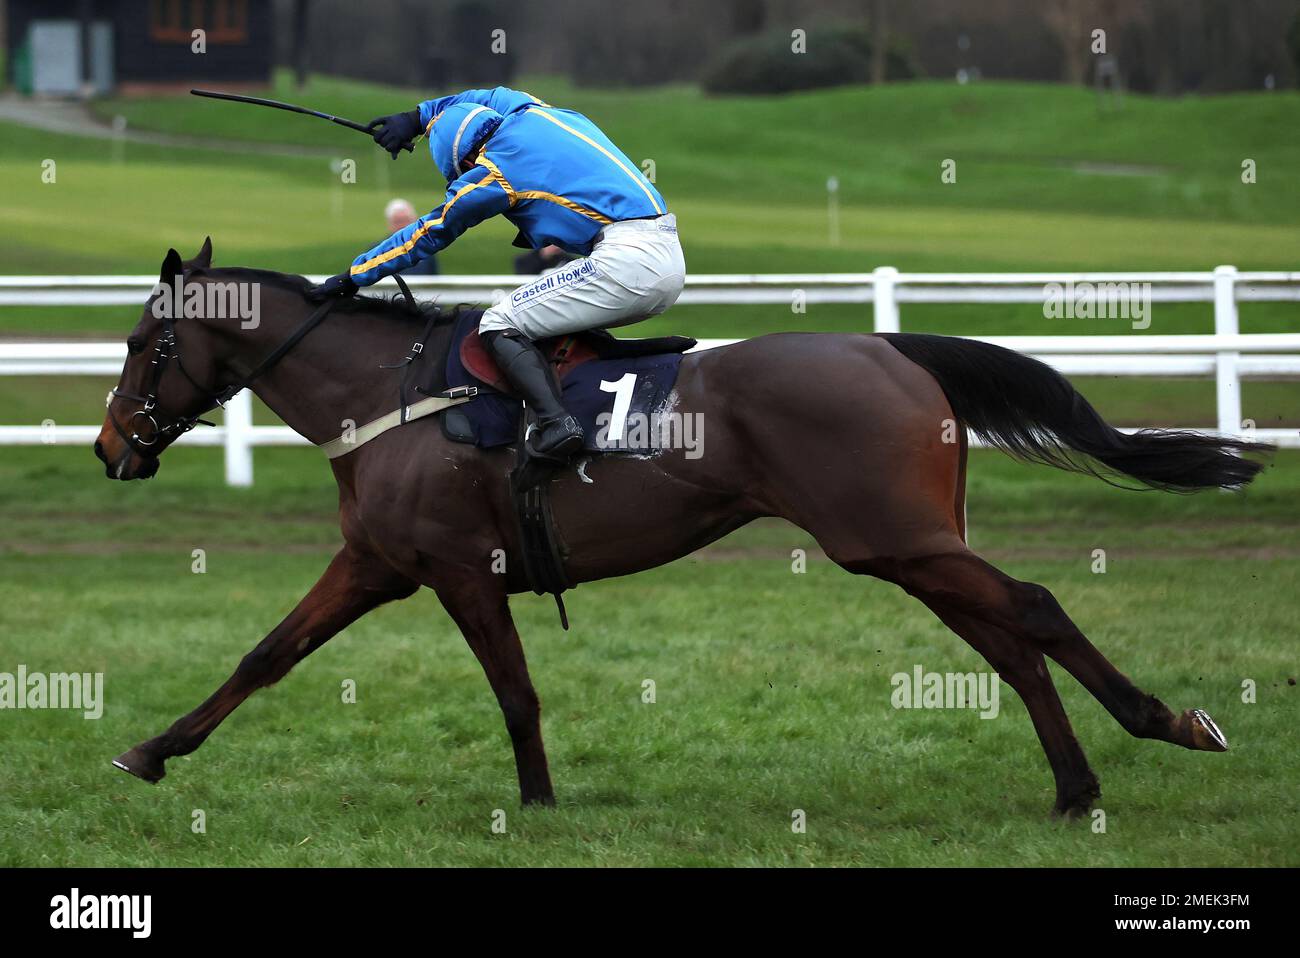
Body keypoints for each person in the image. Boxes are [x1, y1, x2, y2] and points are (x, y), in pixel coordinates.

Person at [310, 86, 685, 461]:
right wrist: (417, 118)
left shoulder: (496, 172)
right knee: (544, 315)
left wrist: (355, 275)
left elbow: (432, 230)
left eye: (465, 173)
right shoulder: (534, 112)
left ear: (472, 159)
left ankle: (557, 424)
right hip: (664, 252)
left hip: (627, 263)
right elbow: (493, 94)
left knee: (498, 322)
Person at [384, 199, 439, 274]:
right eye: (398, 221)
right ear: (390, 224)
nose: (402, 226)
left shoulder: (426, 250)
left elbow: (435, 282)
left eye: (405, 220)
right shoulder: (377, 251)